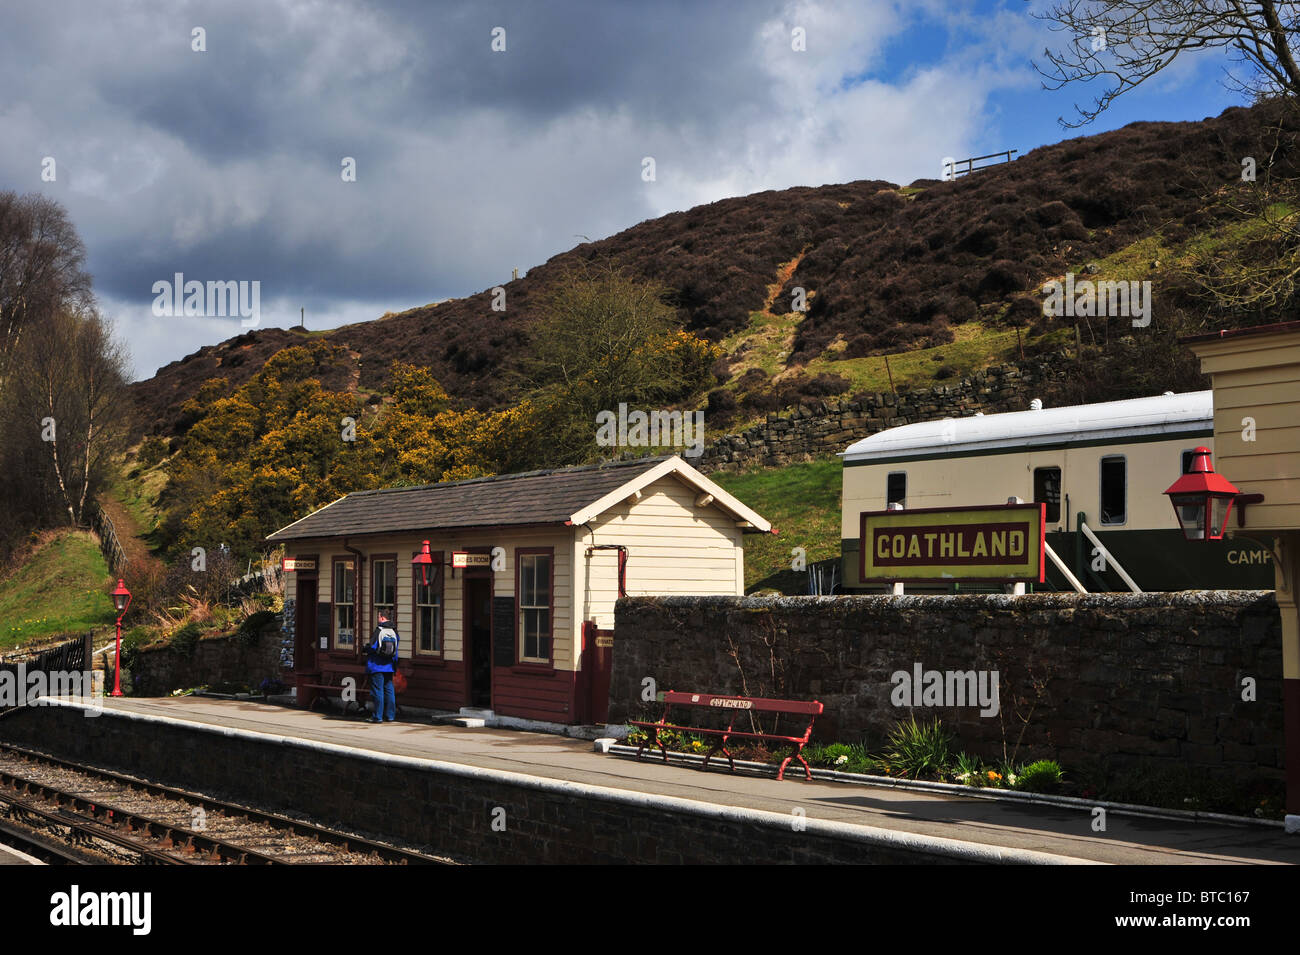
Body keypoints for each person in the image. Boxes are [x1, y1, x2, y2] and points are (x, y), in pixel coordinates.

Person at [366, 613, 400, 723]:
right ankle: (390, 715)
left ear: (382, 618)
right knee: (389, 691)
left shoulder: (379, 630)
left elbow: (372, 646)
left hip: (376, 665)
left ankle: (378, 716)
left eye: (378, 617)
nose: (377, 619)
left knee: (378, 691)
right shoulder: (394, 631)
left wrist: (365, 648)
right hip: (389, 666)